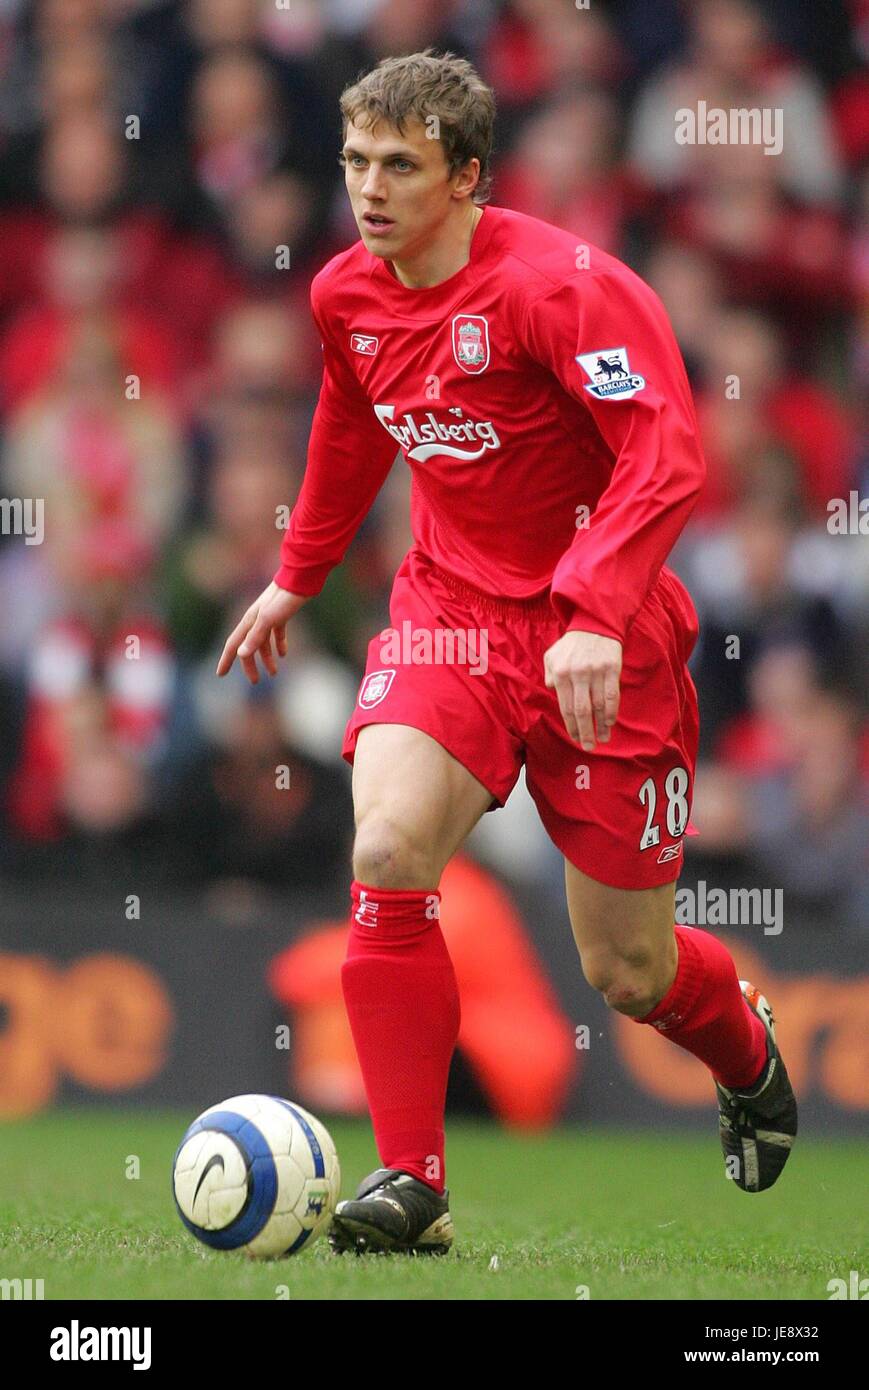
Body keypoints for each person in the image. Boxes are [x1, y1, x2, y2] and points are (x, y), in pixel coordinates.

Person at [217, 49, 797, 1254]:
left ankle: (740, 1050)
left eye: (399, 167)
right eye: (355, 163)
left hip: (607, 636)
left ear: (466, 177)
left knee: (626, 973)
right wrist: (295, 575)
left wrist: (592, 606)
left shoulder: (562, 288)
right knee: (383, 843)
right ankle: (410, 1181)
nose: (369, 190)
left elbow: (665, 452)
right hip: (447, 615)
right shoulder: (344, 293)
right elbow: (349, 419)